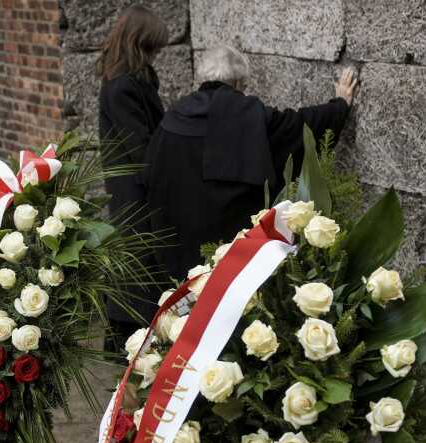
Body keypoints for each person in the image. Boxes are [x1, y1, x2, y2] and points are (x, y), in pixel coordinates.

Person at [143, 45, 357, 281]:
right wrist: (340, 105)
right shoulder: (248, 114)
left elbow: (150, 175)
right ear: (237, 83)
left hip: (178, 247)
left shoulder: (174, 116)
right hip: (232, 256)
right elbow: (298, 128)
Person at [97, 4, 169, 349]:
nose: (157, 54)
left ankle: (131, 339)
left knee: (138, 265)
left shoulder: (132, 81)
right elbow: (139, 145)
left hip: (134, 186)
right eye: (153, 47)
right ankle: (128, 341)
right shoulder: (123, 87)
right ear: (140, 43)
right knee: (138, 266)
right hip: (134, 190)